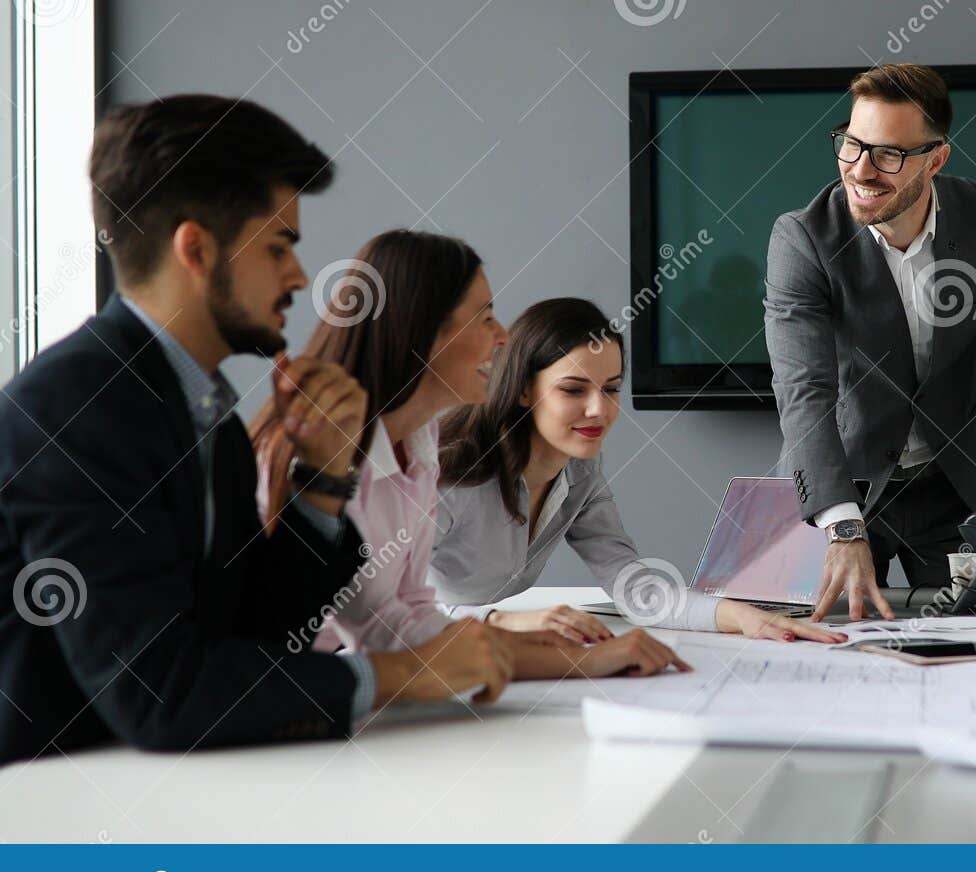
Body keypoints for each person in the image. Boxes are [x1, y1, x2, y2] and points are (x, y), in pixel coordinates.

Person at [0, 96, 514, 765]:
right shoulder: (74, 408)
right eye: (279, 247)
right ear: (196, 249)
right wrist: (407, 674)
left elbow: (259, 638)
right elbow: (162, 694)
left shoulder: (205, 412)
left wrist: (323, 481)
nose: (300, 276)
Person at [252, 232, 689, 680]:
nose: (502, 338)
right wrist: (558, 651)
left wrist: (577, 658)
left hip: (328, 702)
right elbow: (368, 635)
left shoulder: (418, 452)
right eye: (485, 318)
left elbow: (407, 622)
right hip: (283, 706)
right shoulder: (334, 458)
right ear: (420, 331)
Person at [763, 62, 976, 624]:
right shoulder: (802, 238)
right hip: (840, 484)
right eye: (851, 144)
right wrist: (843, 526)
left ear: (936, 159)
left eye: (889, 154)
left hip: (954, 487)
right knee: (815, 644)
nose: (862, 170)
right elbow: (804, 390)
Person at [428, 298, 845, 646]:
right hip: (412, 659)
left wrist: (740, 617)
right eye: (573, 390)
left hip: (479, 650)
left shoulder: (581, 472)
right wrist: (501, 621)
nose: (599, 410)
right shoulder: (449, 475)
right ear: (522, 389)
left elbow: (632, 585)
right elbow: (379, 608)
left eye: (610, 388)